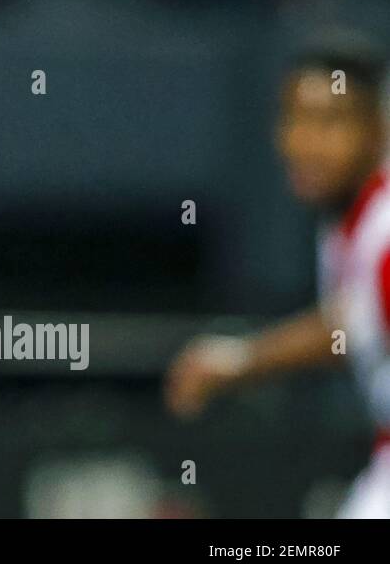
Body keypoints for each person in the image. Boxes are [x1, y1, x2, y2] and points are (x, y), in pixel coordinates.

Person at [164, 35, 389, 518]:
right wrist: (241, 361)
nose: (303, 141)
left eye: (329, 122)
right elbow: (352, 324)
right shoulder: (352, 216)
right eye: (294, 119)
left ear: (377, 130)